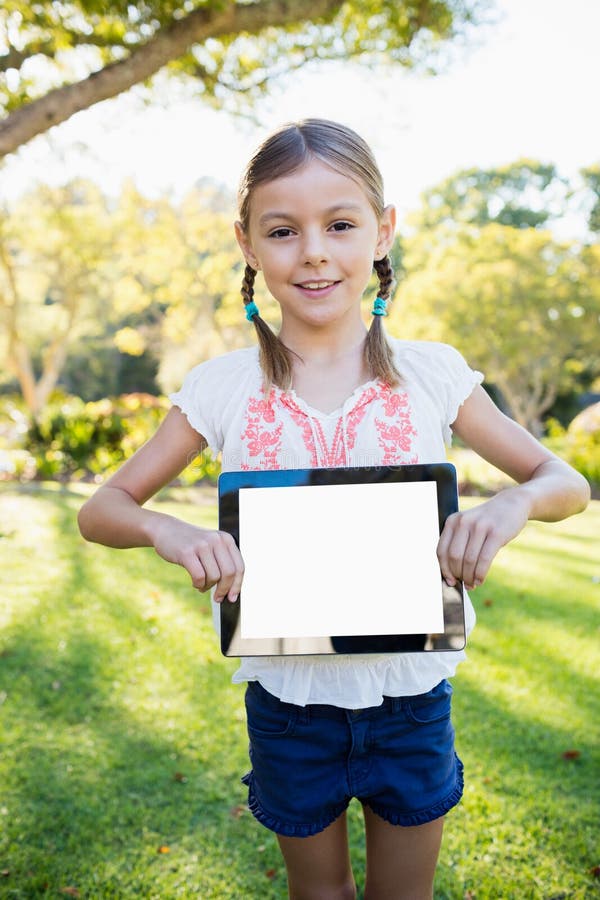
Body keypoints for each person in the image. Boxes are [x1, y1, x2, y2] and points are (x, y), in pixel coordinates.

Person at [78, 118, 590, 900]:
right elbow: (102, 508)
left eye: (341, 225)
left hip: (411, 700)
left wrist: (514, 505)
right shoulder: (220, 387)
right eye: (283, 230)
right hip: (290, 710)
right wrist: (164, 527)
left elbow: (566, 482)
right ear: (247, 244)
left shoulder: (433, 374)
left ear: (383, 232)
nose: (314, 251)